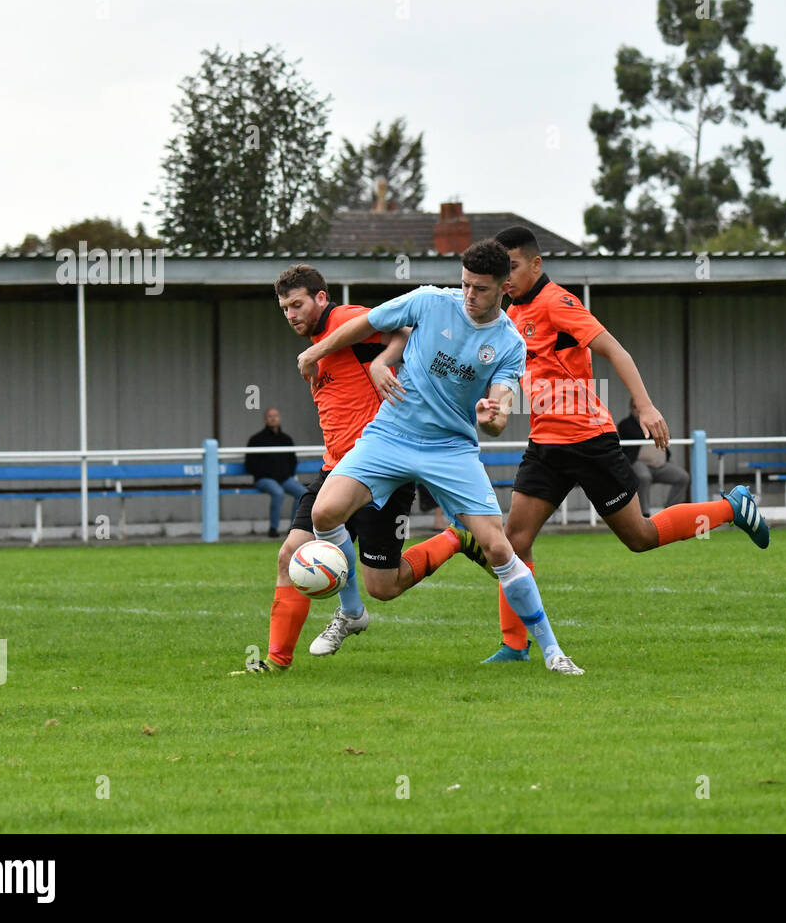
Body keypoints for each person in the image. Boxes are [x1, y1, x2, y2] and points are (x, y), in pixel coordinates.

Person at [481, 226, 769, 664]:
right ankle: (514, 645)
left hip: (589, 440)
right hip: (545, 445)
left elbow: (616, 350)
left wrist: (645, 406)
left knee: (640, 536)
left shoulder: (559, 304)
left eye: (513, 267)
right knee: (514, 540)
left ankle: (732, 507)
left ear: (536, 265)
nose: (506, 278)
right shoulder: (511, 315)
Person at [297, 239, 586, 674]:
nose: (469, 295)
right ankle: (352, 612)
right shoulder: (431, 301)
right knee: (324, 513)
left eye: (481, 289)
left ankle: (552, 651)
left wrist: (492, 415)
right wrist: (315, 351)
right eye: (465, 284)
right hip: (391, 434)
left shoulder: (508, 343)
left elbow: (499, 410)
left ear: (505, 287)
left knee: (498, 548)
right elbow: (370, 322)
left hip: (450, 448)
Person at [233, 264, 485, 675]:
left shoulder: (345, 319)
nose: (291, 314)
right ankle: (277, 662)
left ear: (320, 297)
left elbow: (402, 333)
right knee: (289, 554)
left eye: (297, 304)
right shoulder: (320, 340)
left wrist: (381, 363)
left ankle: (454, 538)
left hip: (381, 469)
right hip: (336, 469)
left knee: (383, 586)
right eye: (284, 308)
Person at [617, 398, 690, 517]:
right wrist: (651, 427)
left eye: (640, 406)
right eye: (635, 407)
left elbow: (666, 434)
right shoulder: (625, 424)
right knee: (644, 477)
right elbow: (639, 435)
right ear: (631, 409)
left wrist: (654, 425)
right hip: (639, 463)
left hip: (660, 465)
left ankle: (670, 511)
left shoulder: (655, 421)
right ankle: (644, 514)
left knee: (683, 477)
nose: (638, 410)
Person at [247, 408, 309, 537]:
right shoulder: (256, 439)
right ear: (265, 419)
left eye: (275, 416)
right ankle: (273, 529)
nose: (273, 418)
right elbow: (250, 464)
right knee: (278, 492)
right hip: (264, 479)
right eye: (270, 416)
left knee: (303, 493)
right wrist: (267, 474)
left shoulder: (286, 439)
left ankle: (294, 528)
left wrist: (287, 474)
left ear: (279, 418)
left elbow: (293, 460)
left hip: (284, 479)